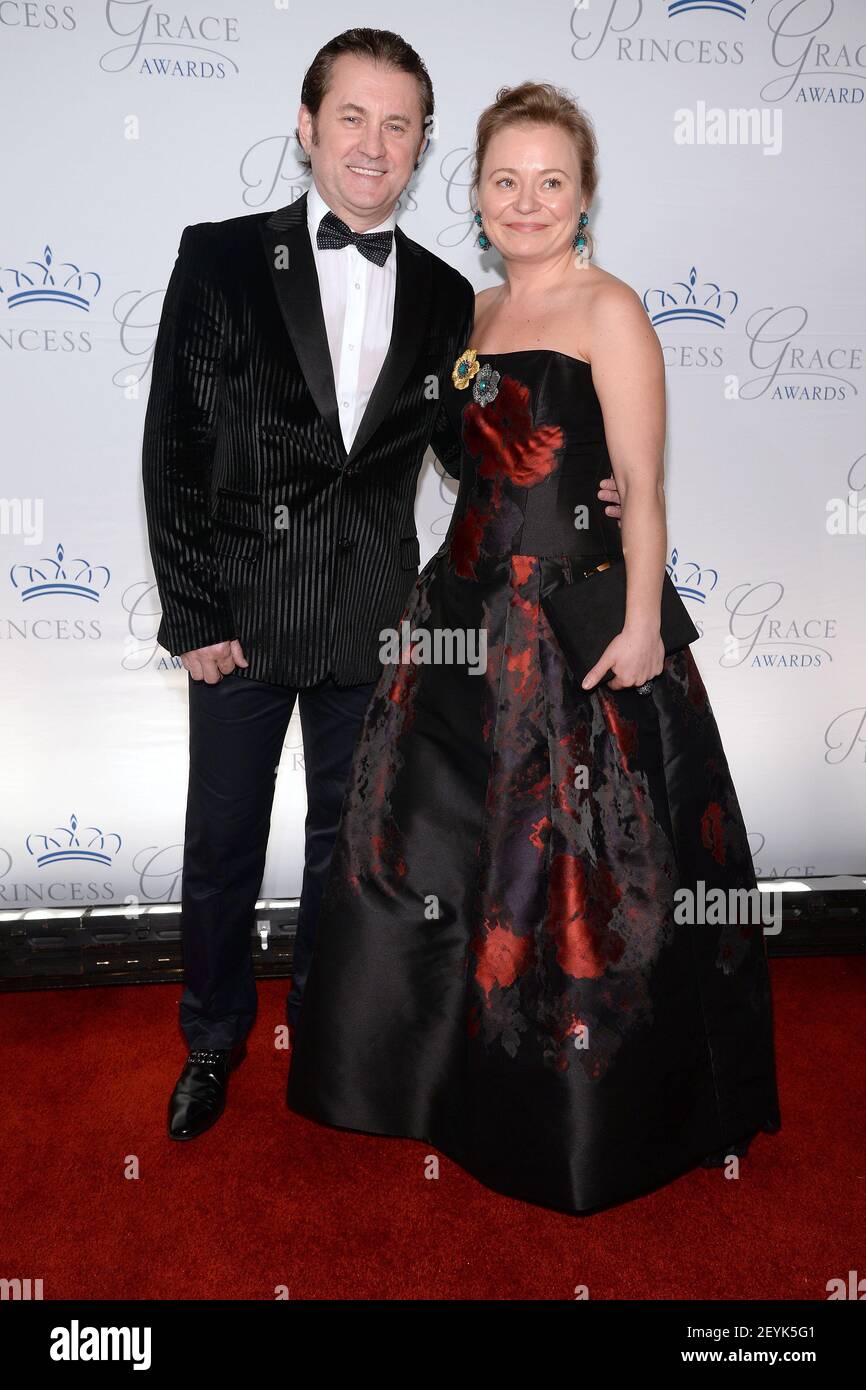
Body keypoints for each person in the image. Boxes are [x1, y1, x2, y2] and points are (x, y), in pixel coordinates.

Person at [287, 82, 781, 1214]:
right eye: (503, 180)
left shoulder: (611, 310)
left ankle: (574, 1121)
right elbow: (481, 462)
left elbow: (644, 491)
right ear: (475, 194)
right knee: (440, 851)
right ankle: (428, 1088)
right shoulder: (470, 318)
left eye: (549, 181)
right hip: (461, 620)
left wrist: (645, 622)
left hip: (569, 631)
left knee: (566, 867)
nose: (525, 201)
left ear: (584, 197)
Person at [141, 27, 626, 1142]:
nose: (373, 142)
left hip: (376, 621)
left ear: (418, 149)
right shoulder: (216, 256)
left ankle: (324, 1034)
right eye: (351, 117)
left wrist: (579, 505)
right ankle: (211, 1041)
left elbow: (472, 456)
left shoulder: (453, 297)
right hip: (241, 625)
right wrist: (195, 613)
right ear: (307, 127)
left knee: (344, 849)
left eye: (397, 124)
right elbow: (175, 443)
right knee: (219, 844)